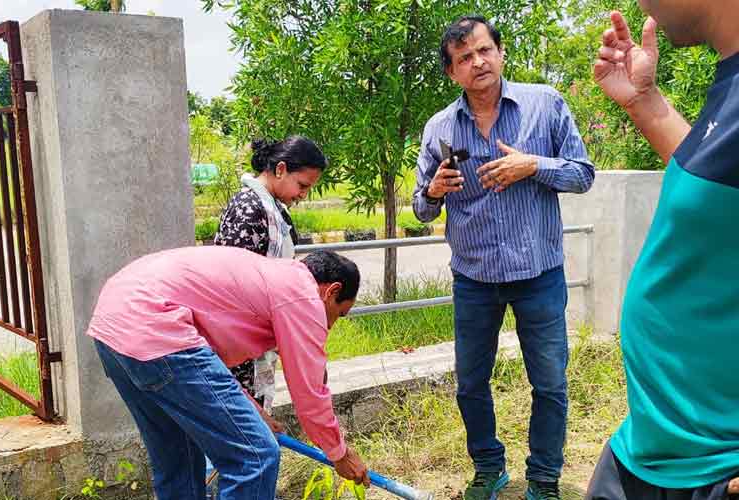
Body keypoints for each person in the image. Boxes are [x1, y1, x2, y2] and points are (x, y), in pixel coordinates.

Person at [412, 15, 595, 500]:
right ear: (452, 73)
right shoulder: (439, 128)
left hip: (539, 271)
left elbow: (582, 175)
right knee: (471, 383)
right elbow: (420, 208)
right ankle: (488, 469)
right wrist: (432, 191)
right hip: (474, 278)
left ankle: (544, 480)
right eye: (464, 59)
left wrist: (532, 165)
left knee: (550, 384)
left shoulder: (544, 105)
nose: (477, 63)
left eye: (483, 51)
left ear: (500, 52)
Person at [586, 3, 739, 499]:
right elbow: (711, 190)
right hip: (653, 444)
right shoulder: (731, 77)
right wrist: (644, 103)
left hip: (716, 462)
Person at [86, 247, 371, 500]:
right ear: (331, 291)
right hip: (154, 327)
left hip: (113, 328)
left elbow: (204, 364)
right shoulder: (304, 297)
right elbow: (309, 393)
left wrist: (251, 409)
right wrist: (340, 453)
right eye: (339, 314)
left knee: (178, 459)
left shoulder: (273, 276)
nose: (331, 325)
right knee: (256, 456)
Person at [215, 135, 327, 411]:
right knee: (240, 425)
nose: (303, 195)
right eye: (302, 185)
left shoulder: (273, 208)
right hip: (236, 339)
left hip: (256, 337)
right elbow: (232, 286)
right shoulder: (249, 209)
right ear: (280, 170)